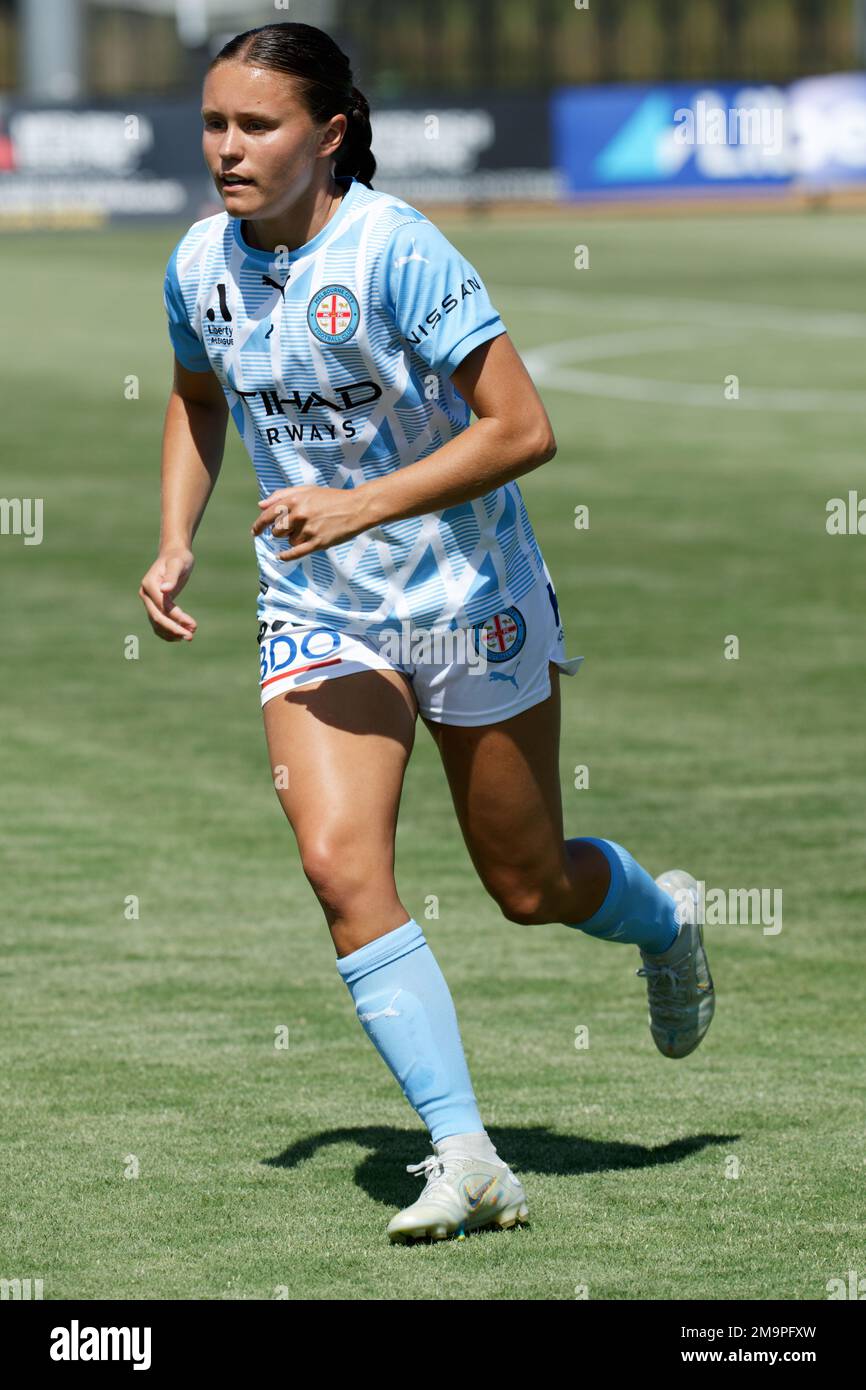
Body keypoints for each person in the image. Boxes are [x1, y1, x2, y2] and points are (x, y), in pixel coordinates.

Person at [139, 21, 715, 1245]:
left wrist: (361, 500)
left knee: (525, 880)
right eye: (213, 125)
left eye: (257, 127)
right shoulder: (198, 263)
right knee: (338, 864)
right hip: (318, 610)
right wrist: (175, 535)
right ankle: (468, 1158)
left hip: (468, 604)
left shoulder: (396, 249)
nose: (227, 150)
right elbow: (197, 402)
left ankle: (662, 920)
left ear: (329, 133)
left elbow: (520, 427)